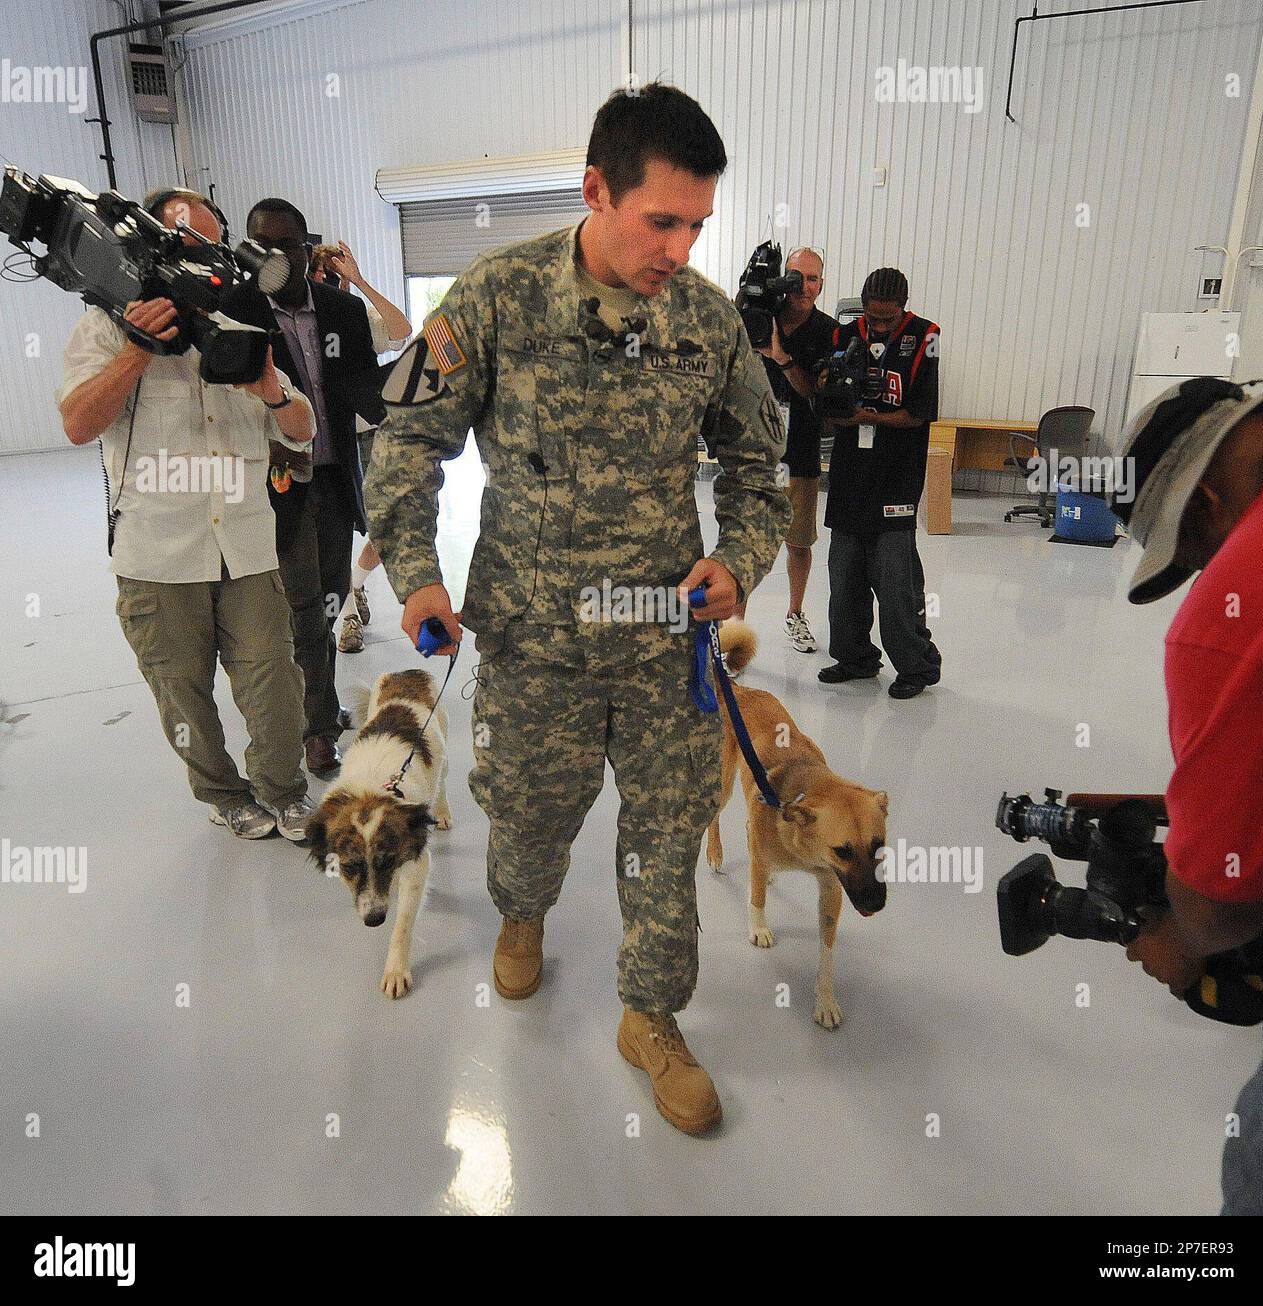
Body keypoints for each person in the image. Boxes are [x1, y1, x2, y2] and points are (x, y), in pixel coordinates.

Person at [366, 82, 790, 1134]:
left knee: (665, 828)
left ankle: (650, 1015)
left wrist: (738, 557)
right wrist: (417, 571)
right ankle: (522, 915)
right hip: (533, 637)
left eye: (698, 224)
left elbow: (758, 464)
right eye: (661, 221)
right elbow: (405, 441)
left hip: (661, 641)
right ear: (596, 189)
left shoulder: (704, 320)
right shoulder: (494, 297)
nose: (681, 248)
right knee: (529, 815)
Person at [56, 188, 318, 840]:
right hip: (157, 553)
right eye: (184, 242)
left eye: (211, 244)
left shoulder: (240, 336)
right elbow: (78, 422)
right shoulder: (103, 329)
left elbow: (302, 430)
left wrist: (272, 391)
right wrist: (138, 351)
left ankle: (284, 791)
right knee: (183, 695)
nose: (202, 259)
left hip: (248, 549)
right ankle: (225, 795)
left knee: (275, 683)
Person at [1115, 377, 1263, 1216]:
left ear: (1208, 500)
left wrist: (1176, 938)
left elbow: (1221, 902)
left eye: (1195, 555)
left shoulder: (1237, 601)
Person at [222, 200, 384, 775]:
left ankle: (322, 702)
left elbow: (367, 392)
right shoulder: (237, 310)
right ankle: (316, 727)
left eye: (284, 244)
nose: (273, 257)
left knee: (333, 598)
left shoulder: (343, 310)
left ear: (305, 247)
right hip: (278, 489)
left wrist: (415, 400)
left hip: (335, 479)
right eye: (260, 245)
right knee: (302, 610)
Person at [819, 267, 943, 699]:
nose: (880, 324)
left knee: (895, 581)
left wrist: (869, 417)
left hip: (898, 477)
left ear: (904, 307)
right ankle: (854, 658)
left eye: (889, 319)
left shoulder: (927, 336)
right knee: (845, 575)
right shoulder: (841, 336)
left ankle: (915, 666)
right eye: (873, 317)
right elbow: (828, 409)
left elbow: (921, 411)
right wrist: (839, 408)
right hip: (850, 476)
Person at [307, 241, 413, 654]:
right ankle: (348, 613)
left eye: (333, 277)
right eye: (318, 276)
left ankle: (353, 583)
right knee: (333, 531)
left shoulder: (358, 318)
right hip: (322, 437)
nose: (327, 285)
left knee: (389, 525)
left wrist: (360, 282)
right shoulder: (297, 322)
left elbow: (402, 331)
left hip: (371, 436)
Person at [736, 246, 836, 654]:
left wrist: (781, 358)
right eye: (796, 277)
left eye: (812, 279)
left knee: (798, 542)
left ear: (821, 284)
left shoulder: (829, 332)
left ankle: (795, 614)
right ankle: (734, 629)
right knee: (744, 544)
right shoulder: (757, 319)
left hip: (800, 455)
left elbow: (814, 393)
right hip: (753, 457)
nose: (804, 287)